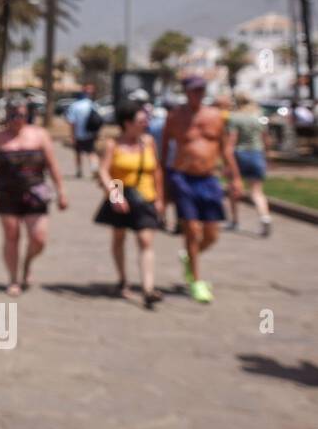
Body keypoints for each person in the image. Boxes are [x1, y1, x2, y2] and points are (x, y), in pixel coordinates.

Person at [159, 76, 243, 304]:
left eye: (202, 90)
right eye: (195, 90)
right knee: (192, 229)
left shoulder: (215, 117)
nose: (198, 94)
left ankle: (189, 257)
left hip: (208, 179)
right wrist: (162, 187)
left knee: (211, 235)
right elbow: (164, 151)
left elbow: (225, 149)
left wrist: (235, 178)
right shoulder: (175, 117)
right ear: (186, 92)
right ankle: (195, 281)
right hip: (182, 178)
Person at [0, 99, 68, 296]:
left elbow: (53, 165)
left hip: (36, 192)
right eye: (12, 115)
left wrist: (61, 190)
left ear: (27, 115)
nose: (17, 119)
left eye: (21, 115)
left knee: (39, 238)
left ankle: (27, 262)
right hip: (6, 193)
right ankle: (14, 278)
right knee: (11, 236)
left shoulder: (40, 135)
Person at [94, 100, 165, 308]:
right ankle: (123, 279)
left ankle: (148, 288)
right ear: (127, 123)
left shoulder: (149, 142)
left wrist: (160, 199)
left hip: (146, 198)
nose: (145, 124)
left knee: (145, 241)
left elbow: (157, 171)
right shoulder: (112, 144)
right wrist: (115, 196)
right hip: (121, 196)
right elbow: (104, 172)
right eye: (141, 120)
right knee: (119, 238)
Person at [226, 91, 271, 236]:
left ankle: (235, 220)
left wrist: (228, 160)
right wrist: (267, 155)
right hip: (257, 153)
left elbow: (232, 141)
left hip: (241, 154)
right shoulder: (258, 116)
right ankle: (265, 217)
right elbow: (266, 138)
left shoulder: (235, 117)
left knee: (234, 188)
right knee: (257, 192)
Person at [65, 83, 103, 179]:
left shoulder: (75, 106)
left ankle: (79, 171)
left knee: (78, 153)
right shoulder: (93, 105)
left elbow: (72, 122)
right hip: (90, 133)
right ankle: (94, 168)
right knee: (91, 152)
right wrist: (98, 133)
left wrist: (72, 135)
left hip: (78, 134)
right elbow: (98, 120)